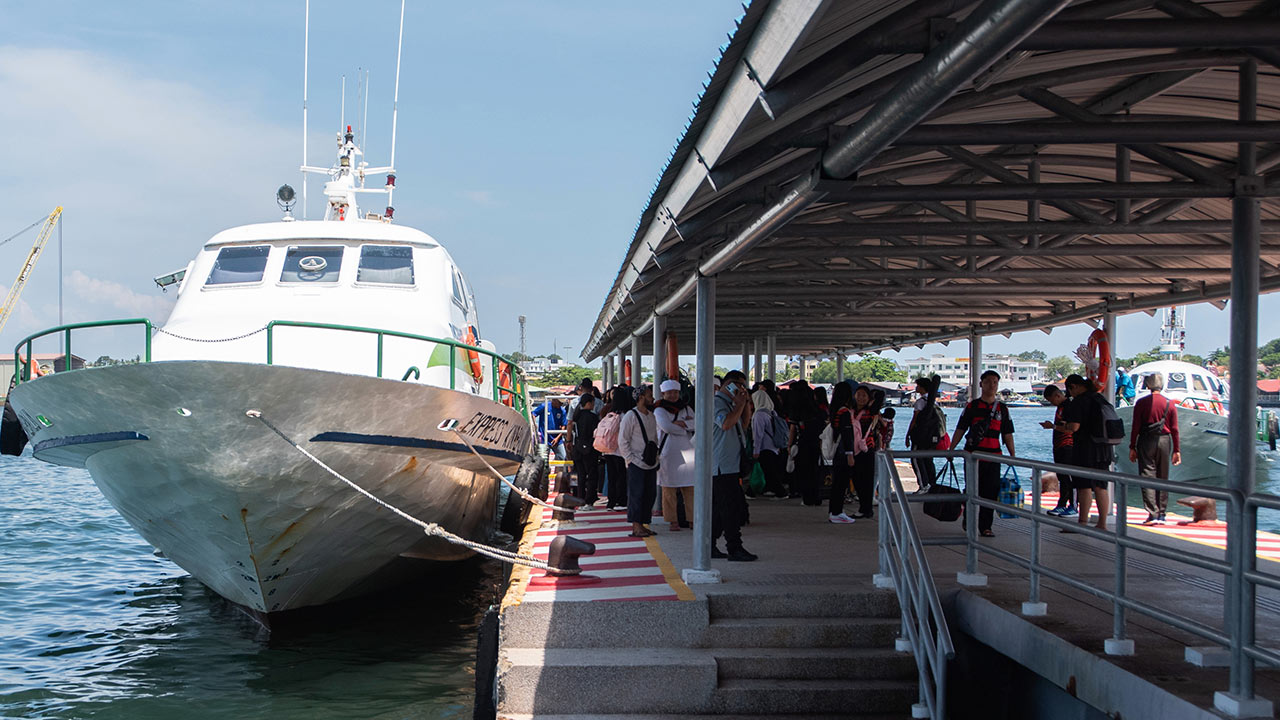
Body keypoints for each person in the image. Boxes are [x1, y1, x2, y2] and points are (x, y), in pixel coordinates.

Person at [949, 370, 1015, 538]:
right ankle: (968, 519)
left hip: (994, 456)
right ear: (981, 384)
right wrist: (951, 449)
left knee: (991, 492)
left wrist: (1012, 456)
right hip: (973, 456)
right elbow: (961, 428)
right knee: (972, 489)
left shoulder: (1002, 409)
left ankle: (986, 526)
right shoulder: (972, 406)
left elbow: (1007, 434)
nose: (992, 385)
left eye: (995, 382)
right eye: (988, 382)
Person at [711, 370, 757, 561]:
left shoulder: (732, 404)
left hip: (730, 464)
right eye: (739, 385)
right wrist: (738, 404)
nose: (741, 389)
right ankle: (734, 547)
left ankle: (709, 544)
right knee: (730, 508)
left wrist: (744, 404)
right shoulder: (716, 403)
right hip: (721, 465)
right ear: (729, 384)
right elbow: (726, 424)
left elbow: (743, 425)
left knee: (721, 509)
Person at [1129, 372, 1181, 525]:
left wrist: (1132, 446)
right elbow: (1175, 429)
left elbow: (1135, 427)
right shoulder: (1169, 403)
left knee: (1147, 475)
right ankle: (1162, 514)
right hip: (1165, 440)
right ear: (1162, 385)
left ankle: (1152, 513)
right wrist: (1177, 450)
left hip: (1146, 440)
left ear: (1147, 385)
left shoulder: (1141, 403)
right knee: (1163, 476)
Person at [1062, 374, 1111, 532]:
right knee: (1100, 486)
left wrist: (1064, 426)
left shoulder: (1079, 401)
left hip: (1085, 449)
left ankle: (1083, 521)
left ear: (1073, 387)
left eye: (1070, 391)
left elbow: (1074, 427)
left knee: (1084, 486)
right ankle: (1102, 523)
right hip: (1104, 449)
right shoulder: (1099, 398)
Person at [618, 384, 659, 537]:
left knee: (650, 495)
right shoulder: (631, 416)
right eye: (649, 395)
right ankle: (636, 526)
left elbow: (654, 437)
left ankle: (643, 524)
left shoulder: (651, 416)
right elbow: (623, 440)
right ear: (641, 397)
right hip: (636, 462)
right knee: (636, 495)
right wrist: (630, 459)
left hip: (650, 461)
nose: (652, 398)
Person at [654, 379, 695, 532]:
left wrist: (682, 425)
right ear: (663, 394)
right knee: (668, 488)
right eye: (669, 393)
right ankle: (672, 521)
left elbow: (696, 423)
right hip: (668, 451)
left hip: (688, 450)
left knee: (690, 486)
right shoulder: (659, 409)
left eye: (676, 392)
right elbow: (666, 427)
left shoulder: (686, 408)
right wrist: (685, 426)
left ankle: (692, 519)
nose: (673, 395)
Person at [827, 383, 865, 524]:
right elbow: (847, 434)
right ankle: (837, 512)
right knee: (841, 483)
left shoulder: (835, 410)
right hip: (843, 451)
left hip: (837, 450)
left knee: (837, 483)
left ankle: (834, 511)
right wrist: (850, 454)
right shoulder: (844, 412)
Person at [1040, 385, 1078, 518]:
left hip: (1068, 445)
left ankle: (1073, 505)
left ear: (1057, 395)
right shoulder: (1060, 407)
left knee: (1069, 476)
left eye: (1051, 400)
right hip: (1059, 446)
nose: (1051, 403)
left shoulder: (1069, 406)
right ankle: (1062, 504)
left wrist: (1053, 426)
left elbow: (1070, 428)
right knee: (1062, 477)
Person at [789, 381, 826, 505]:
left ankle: (807, 498)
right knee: (815, 469)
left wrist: (789, 445)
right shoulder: (816, 408)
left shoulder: (796, 409)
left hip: (802, 443)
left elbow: (793, 429)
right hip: (816, 442)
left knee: (804, 471)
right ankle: (816, 496)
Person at [905, 376, 942, 493]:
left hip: (920, 436)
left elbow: (914, 420)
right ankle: (932, 484)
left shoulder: (920, 402)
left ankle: (923, 485)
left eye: (918, 386)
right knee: (928, 460)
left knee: (916, 459)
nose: (916, 388)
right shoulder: (934, 403)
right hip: (931, 437)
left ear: (922, 387)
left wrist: (908, 434)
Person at [750, 389, 788, 498]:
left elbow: (758, 435)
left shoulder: (759, 415)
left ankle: (780, 492)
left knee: (768, 472)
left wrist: (755, 450)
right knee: (769, 471)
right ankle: (760, 490)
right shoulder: (771, 412)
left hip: (764, 447)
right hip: (774, 446)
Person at [603, 386, 635, 511]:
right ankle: (621, 500)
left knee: (611, 476)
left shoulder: (609, 413)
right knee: (621, 476)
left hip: (607, 449)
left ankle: (611, 502)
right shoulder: (625, 415)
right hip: (619, 450)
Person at [568, 393, 601, 505]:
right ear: (589, 403)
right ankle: (589, 499)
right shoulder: (593, 417)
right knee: (591, 474)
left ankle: (579, 496)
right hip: (590, 449)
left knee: (579, 474)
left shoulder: (577, 416)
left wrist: (568, 442)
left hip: (577, 447)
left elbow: (570, 428)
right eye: (592, 403)